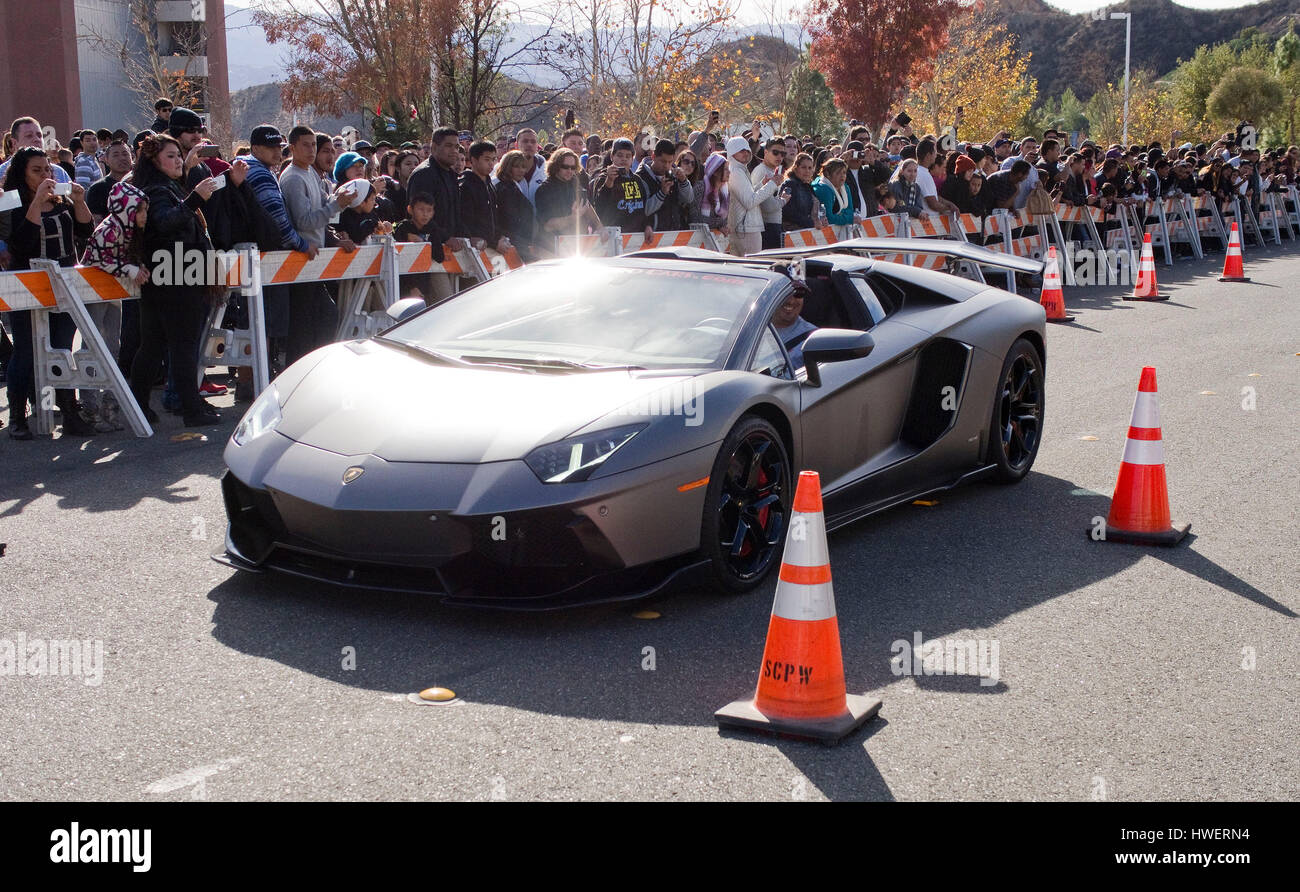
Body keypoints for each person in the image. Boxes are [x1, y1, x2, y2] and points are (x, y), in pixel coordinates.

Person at [120, 134, 223, 428]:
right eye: (171, 156)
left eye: (179, 155)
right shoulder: (158, 190)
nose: (178, 160)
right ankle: (190, 409)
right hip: (175, 274)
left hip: (166, 274)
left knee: (153, 345)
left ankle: (139, 406)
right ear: (154, 160)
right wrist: (195, 197)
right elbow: (165, 223)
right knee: (182, 344)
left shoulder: (163, 186)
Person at [2, 146, 97, 438]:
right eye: (36, 170)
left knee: (60, 349)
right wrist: (36, 202)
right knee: (28, 352)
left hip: (63, 283)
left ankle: (68, 411)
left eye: (47, 169)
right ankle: (19, 415)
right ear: (21, 174)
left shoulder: (60, 199)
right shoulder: (10, 202)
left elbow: (84, 232)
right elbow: (20, 243)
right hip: (27, 286)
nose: (45, 175)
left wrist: (79, 201)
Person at [279, 125, 357, 366]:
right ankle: (299, 369)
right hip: (300, 258)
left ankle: (313, 366)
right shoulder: (293, 178)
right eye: (306, 145)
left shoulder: (311, 174)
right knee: (305, 323)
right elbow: (304, 221)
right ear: (292, 148)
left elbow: (322, 214)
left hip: (314, 258)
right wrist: (336, 206)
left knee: (323, 316)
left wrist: (334, 234)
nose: (311, 150)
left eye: (314, 145)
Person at [407, 127, 466, 253]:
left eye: (456, 147)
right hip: (428, 251)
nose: (454, 151)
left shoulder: (451, 175)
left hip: (453, 250)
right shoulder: (423, 175)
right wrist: (445, 238)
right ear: (434, 147)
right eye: (449, 146)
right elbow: (419, 217)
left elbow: (456, 214)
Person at [536, 147, 603, 245]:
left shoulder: (574, 182)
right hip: (554, 246)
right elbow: (548, 225)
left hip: (579, 244)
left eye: (573, 167)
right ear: (556, 166)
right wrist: (573, 217)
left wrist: (600, 227)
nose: (570, 171)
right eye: (565, 167)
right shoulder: (545, 189)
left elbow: (587, 206)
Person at [727, 136, 782, 255]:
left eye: (747, 150)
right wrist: (772, 184)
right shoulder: (736, 172)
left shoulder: (740, 170)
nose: (746, 153)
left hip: (747, 228)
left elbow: (748, 196)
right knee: (751, 268)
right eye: (741, 150)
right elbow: (750, 202)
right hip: (746, 229)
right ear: (732, 152)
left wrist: (762, 184)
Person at [394, 194, 450, 301]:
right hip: (405, 279)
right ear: (410, 209)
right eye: (421, 209)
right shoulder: (403, 228)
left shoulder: (433, 228)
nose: (425, 214)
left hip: (425, 279)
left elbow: (439, 257)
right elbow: (399, 256)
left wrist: (423, 243)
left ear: (433, 212)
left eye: (429, 210)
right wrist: (411, 287)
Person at [493, 149, 544, 261]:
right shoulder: (506, 189)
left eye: (523, 167)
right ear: (507, 166)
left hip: (518, 243)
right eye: (516, 166)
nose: (521, 170)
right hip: (513, 245)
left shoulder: (512, 186)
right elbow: (510, 221)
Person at [637, 138, 695, 234]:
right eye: (663, 161)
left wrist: (683, 181)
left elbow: (689, 199)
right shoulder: (641, 177)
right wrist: (662, 193)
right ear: (653, 156)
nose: (667, 166)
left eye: (670, 162)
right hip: (653, 236)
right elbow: (645, 210)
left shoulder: (674, 173)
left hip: (675, 233)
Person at [593, 138, 648, 233]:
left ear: (632, 159)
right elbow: (599, 204)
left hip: (636, 235)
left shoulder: (637, 180)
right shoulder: (603, 178)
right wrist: (609, 181)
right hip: (612, 235)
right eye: (620, 155)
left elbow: (644, 208)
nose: (624, 159)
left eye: (628, 156)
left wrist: (648, 226)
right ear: (612, 157)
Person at [86, 140, 134, 223]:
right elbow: (97, 222)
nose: (122, 158)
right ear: (106, 160)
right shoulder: (97, 189)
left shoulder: (140, 183)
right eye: (116, 155)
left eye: (125, 154)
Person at [751, 137, 787, 249]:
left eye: (783, 153)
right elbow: (767, 206)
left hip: (774, 226)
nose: (779, 156)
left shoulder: (773, 171)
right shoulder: (762, 171)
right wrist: (784, 200)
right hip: (766, 228)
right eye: (775, 152)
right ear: (766, 152)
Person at [812, 158, 857, 236]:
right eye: (838, 173)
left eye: (844, 172)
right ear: (827, 174)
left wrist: (844, 217)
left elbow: (850, 210)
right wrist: (849, 219)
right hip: (824, 235)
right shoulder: (823, 189)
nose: (842, 176)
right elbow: (829, 218)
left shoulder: (845, 187)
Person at [780, 152, 817, 230]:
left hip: (806, 230)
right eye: (803, 167)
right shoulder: (790, 184)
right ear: (796, 168)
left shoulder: (808, 187)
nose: (807, 171)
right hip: (791, 231)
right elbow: (788, 212)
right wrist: (811, 223)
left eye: (810, 168)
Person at [699, 152, 730, 234]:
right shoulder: (701, 187)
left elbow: (725, 219)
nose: (729, 172)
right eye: (726, 169)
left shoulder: (725, 192)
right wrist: (719, 225)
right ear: (715, 171)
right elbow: (695, 217)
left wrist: (721, 225)